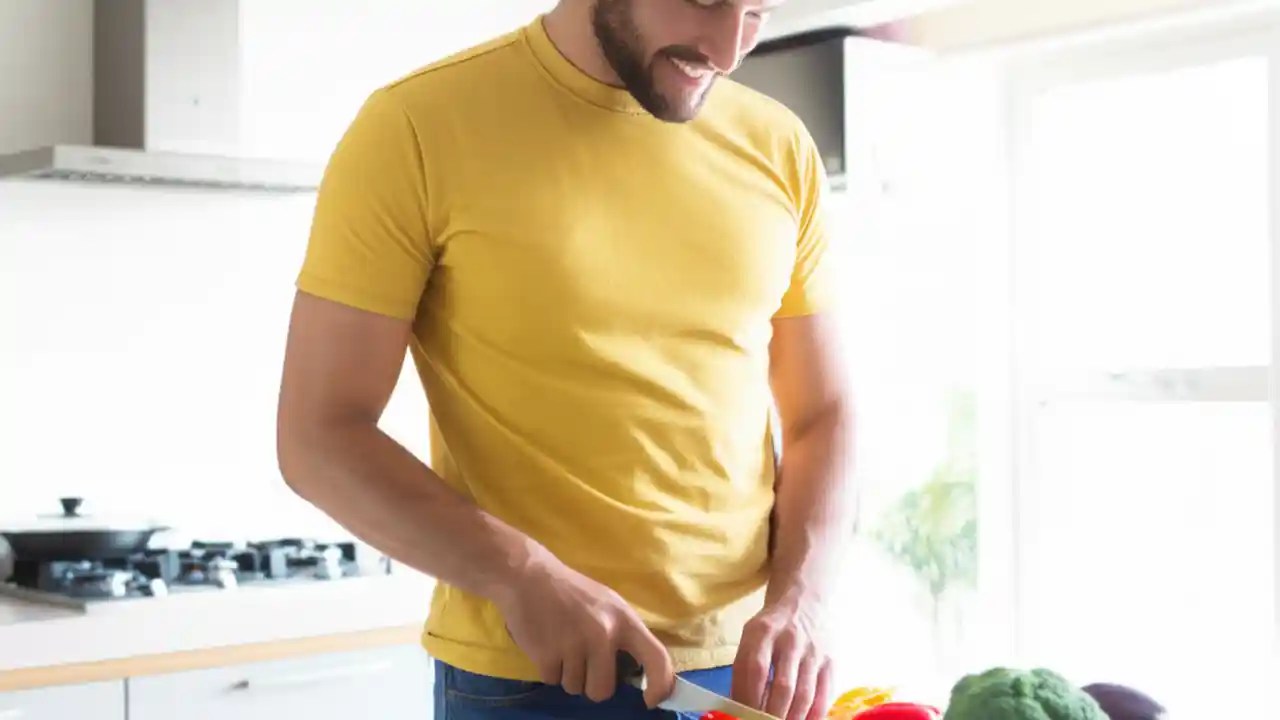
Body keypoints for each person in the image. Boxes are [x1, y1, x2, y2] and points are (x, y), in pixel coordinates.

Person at [275, 1, 855, 718]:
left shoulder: (780, 146)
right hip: (531, 679)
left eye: (757, 10)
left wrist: (805, 600)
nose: (730, 49)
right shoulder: (417, 126)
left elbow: (822, 415)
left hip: (745, 679)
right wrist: (522, 574)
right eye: (706, 0)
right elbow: (318, 435)